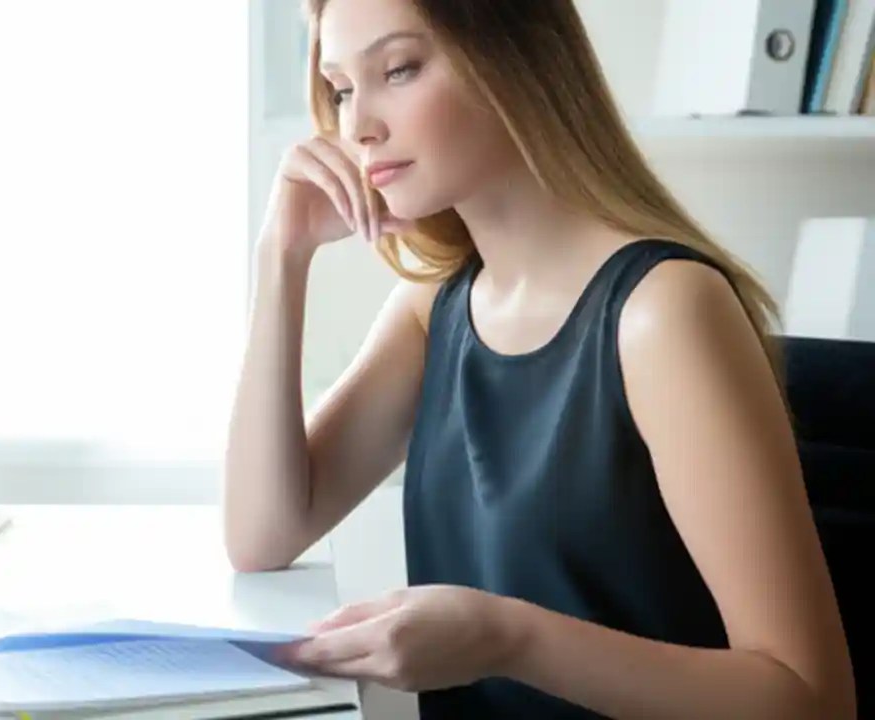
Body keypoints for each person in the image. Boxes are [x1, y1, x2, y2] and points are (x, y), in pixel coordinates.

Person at [221, 0, 856, 717]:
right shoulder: (435, 310)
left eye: (398, 69)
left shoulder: (662, 312)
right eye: (340, 89)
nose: (357, 125)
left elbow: (812, 698)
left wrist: (508, 638)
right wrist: (281, 255)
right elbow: (262, 533)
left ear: (516, 66)